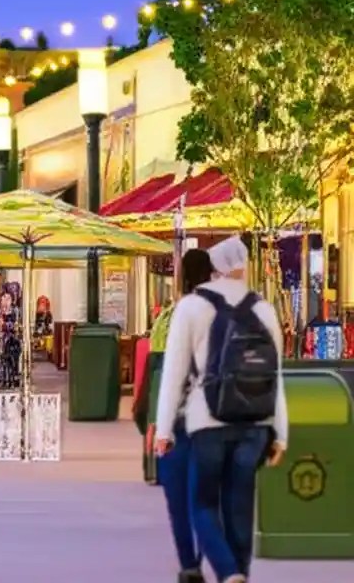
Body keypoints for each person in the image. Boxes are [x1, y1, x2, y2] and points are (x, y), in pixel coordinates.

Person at [155, 237, 288, 583]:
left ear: (215, 270)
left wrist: (164, 430)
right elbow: (275, 378)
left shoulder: (192, 307)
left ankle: (228, 572)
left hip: (207, 419)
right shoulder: (264, 308)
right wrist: (281, 433)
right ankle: (240, 571)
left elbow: (173, 374)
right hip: (256, 423)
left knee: (203, 504)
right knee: (239, 505)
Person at [143, 248, 214, 582]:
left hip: (186, 418)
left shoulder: (181, 311)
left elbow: (171, 374)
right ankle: (203, 553)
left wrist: (163, 429)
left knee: (179, 494)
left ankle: (190, 564)